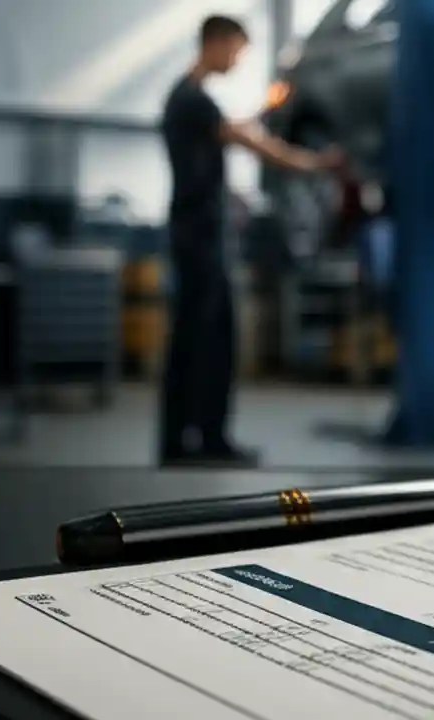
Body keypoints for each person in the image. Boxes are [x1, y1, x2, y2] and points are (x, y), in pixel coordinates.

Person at [160, 15, 343, 468]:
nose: (238, 60)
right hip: (199, 240)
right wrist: (315, 163)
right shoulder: (193, 101)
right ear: (215, 43)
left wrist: (268, 108)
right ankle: (198, 442)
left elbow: (236, 128)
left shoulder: (186, 100)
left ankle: (194, 439)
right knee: (205, 340)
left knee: (202, 337)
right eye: (237, 50)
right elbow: (251, 141)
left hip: (198, 237)